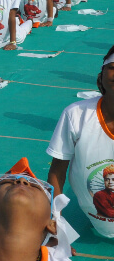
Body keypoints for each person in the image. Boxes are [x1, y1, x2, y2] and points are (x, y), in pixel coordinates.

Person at [47, 45, 114, 235]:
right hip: (96, 222)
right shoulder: (75, 115)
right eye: (113, 67)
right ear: (102, 74)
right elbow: (57, 172)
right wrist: (56, 223)